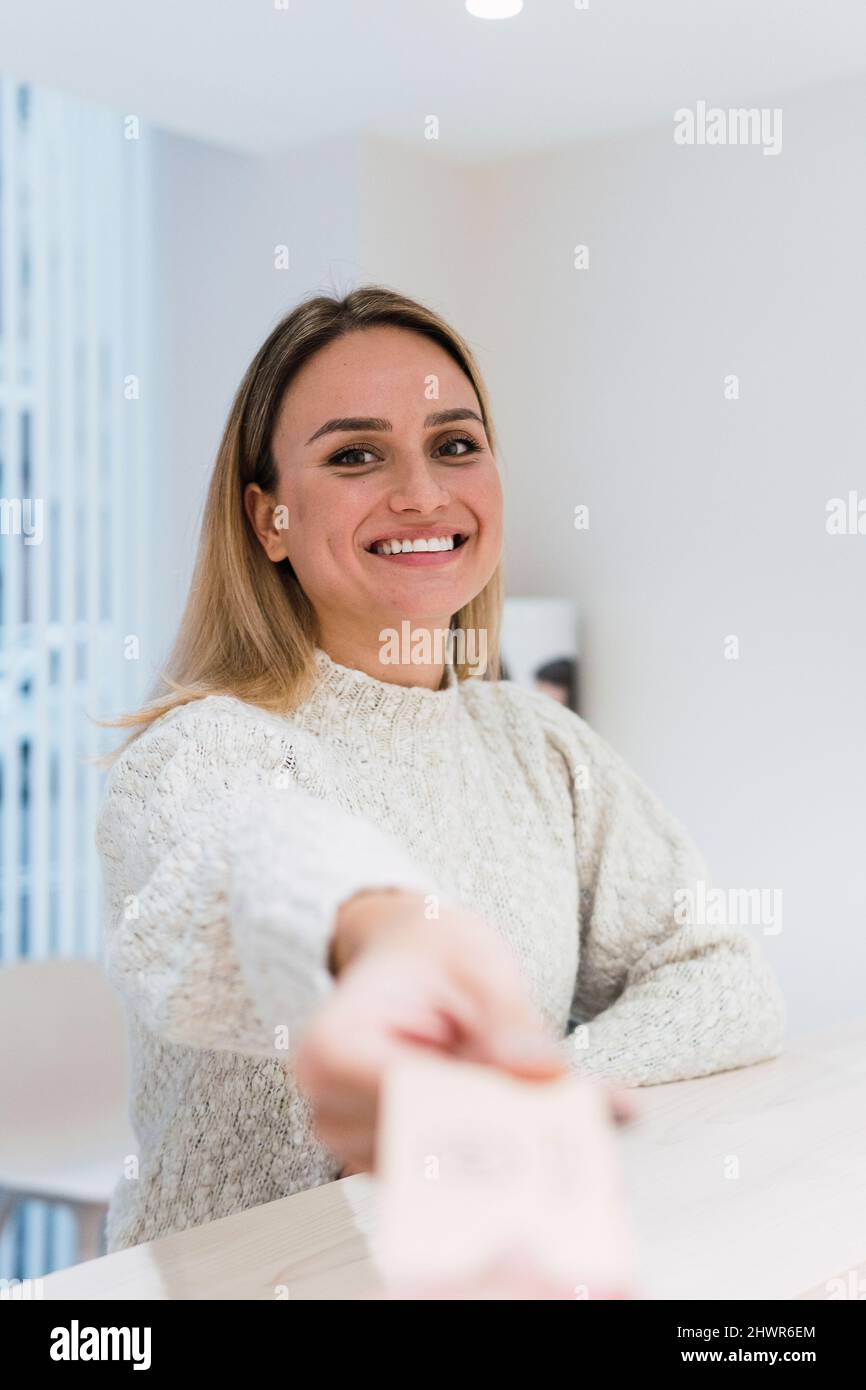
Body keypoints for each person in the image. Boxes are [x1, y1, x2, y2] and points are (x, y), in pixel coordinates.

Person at [97, 285, 784, 1253]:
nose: (421, 493)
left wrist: (504, 1099)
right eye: (354, 454)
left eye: (453, 444)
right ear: (268, 520)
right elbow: (248, 856)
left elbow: (719, 971)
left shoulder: (534, 741)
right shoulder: (190, 755)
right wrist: (376, 932)